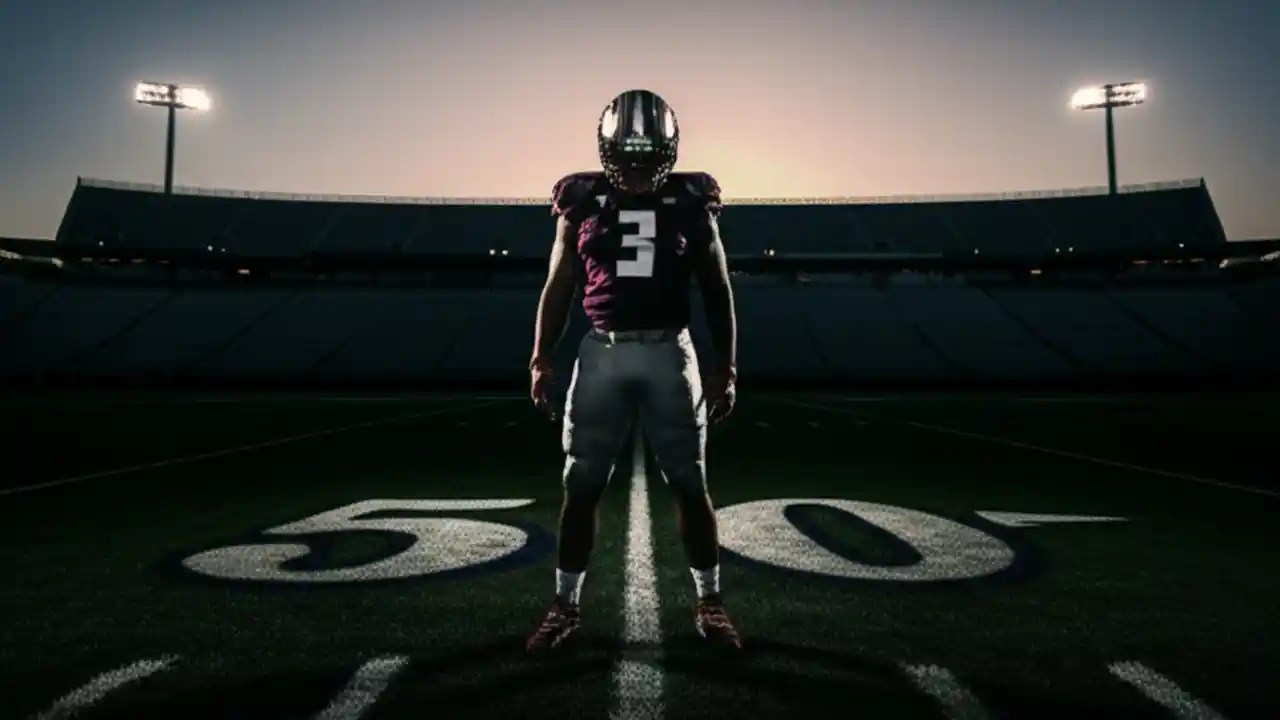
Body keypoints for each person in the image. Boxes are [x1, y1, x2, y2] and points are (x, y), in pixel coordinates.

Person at [525, 89, 741, 653]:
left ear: (669, 149)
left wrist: (726, 368)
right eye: (628, 154)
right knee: (581, 484)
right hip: (601, 350)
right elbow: (560, 283)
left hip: (672, 351)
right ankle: (565, 605)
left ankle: (710, 602)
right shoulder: (580, 199)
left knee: (691, 484)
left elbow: (718, 288)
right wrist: (541, 355)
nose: (639, 166)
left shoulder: (693, 200)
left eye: (648, 154)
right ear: (606, 149)